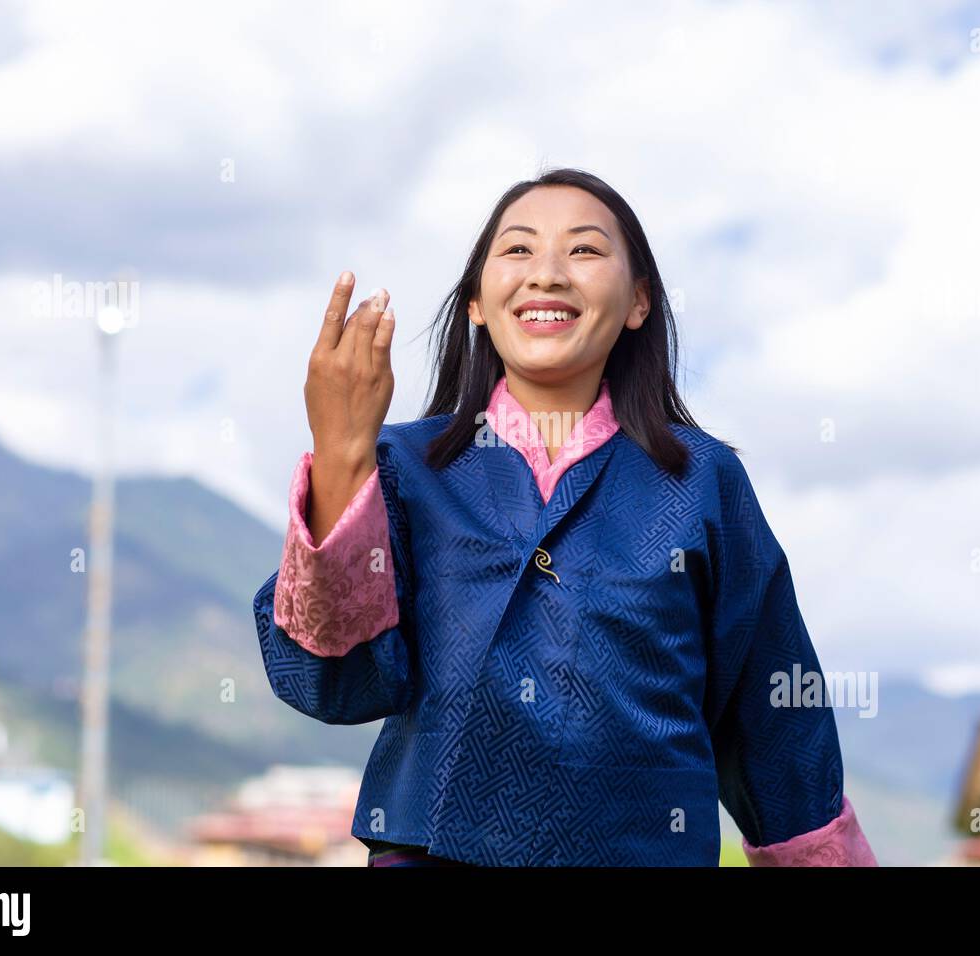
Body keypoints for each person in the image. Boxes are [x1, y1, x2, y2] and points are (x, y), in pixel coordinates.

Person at [253, 167, 877, 867]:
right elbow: (333, 681)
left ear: (639, 302)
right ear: (476, 306)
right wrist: (340, 453)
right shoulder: (401, 467)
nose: (546, 273)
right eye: (517, 250)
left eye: (583, 250)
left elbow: (773, 717)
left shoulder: (703, 481)